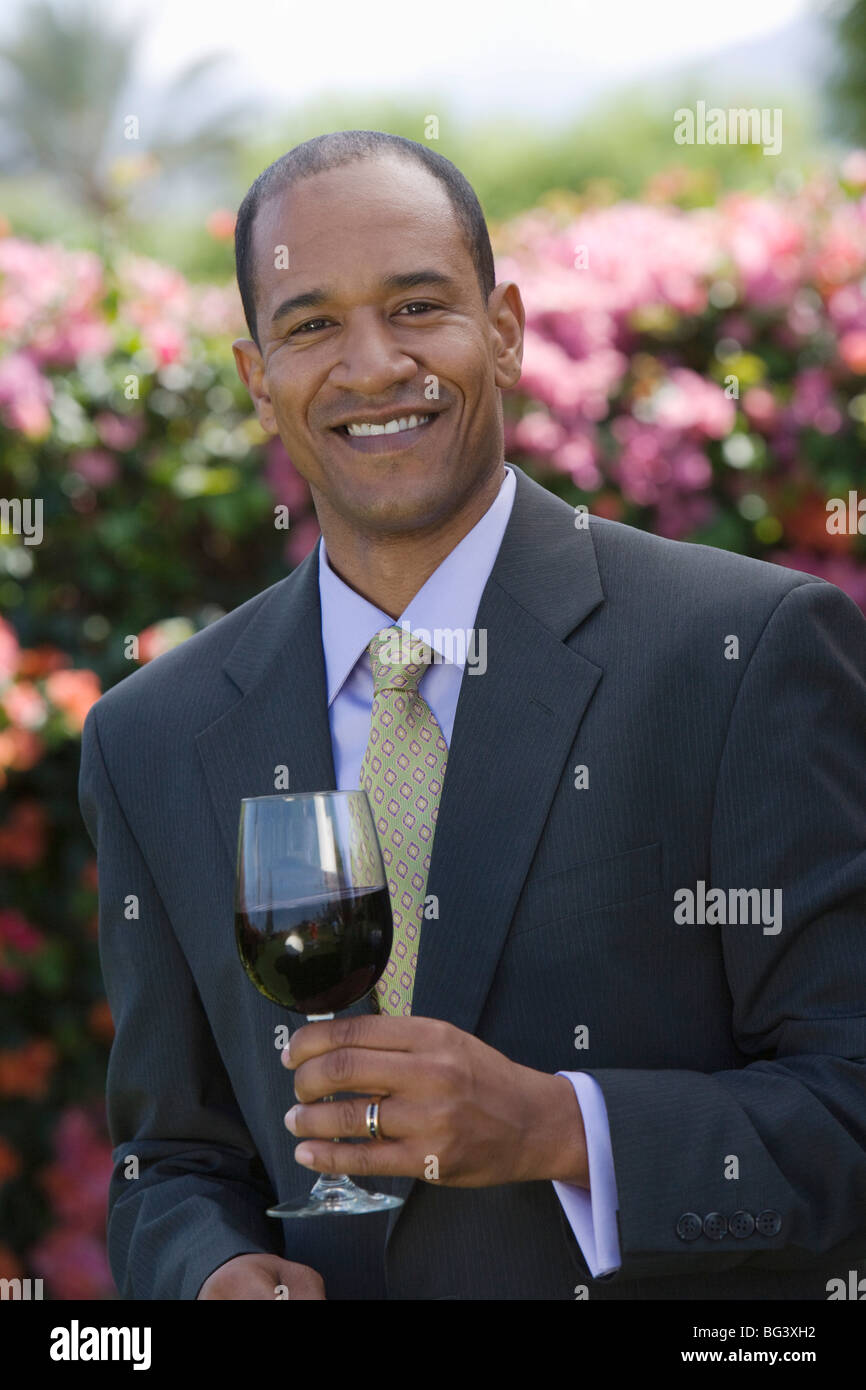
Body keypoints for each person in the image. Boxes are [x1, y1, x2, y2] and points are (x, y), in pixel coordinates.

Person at [79, 130, 866, 1301]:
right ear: (257, 379)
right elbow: (170, 1156)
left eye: (415, 305)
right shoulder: (150, 736)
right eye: (309, 326)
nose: (371, 364)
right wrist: (209, 1270)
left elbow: (846, 1107)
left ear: (501, 329)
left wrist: (560, 1126)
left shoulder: (742, 652)